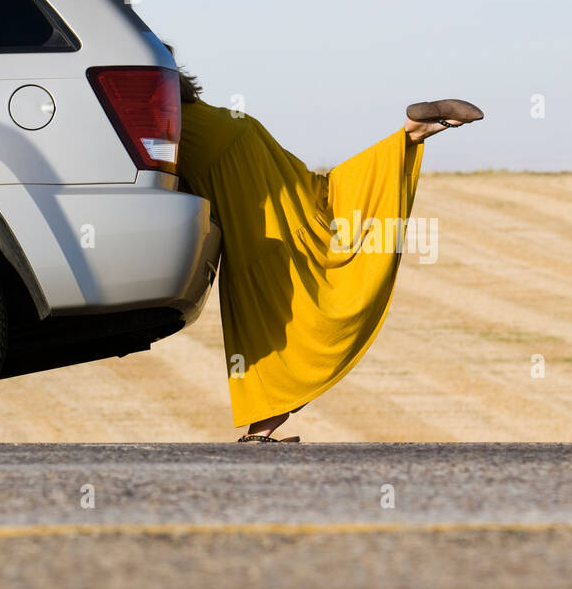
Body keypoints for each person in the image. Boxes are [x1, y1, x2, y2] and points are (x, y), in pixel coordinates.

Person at [174, 71, 483, 442]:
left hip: (241, 191)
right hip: (241, 138)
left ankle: (260, 434)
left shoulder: (151, 114)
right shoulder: (180, 99)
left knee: (289, 321)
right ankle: (407, 135)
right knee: (324, 197)